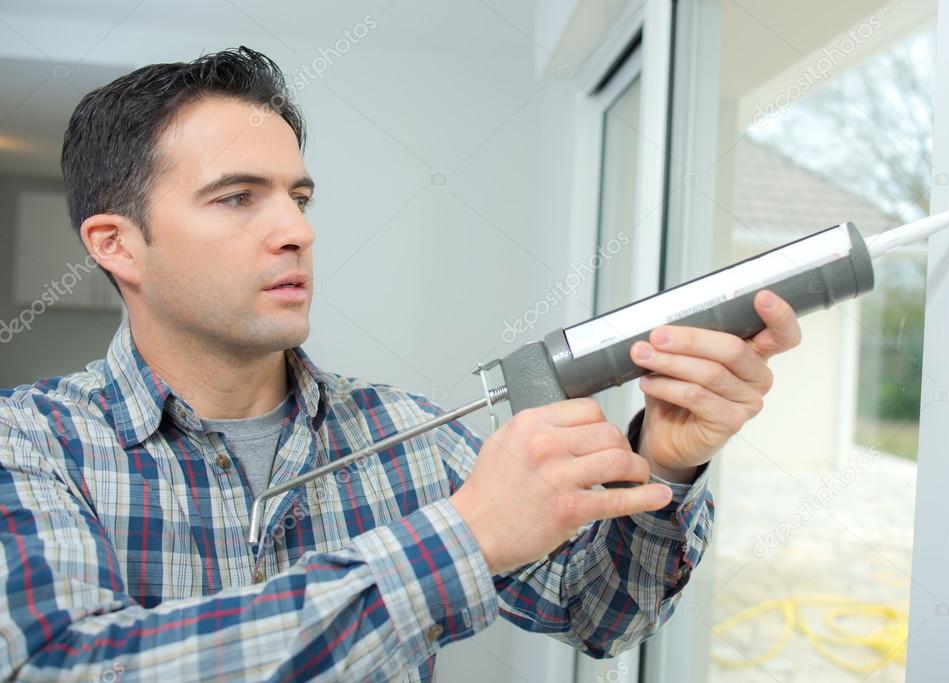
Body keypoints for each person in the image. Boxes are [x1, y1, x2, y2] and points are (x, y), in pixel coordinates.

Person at [0, 47, 801, 681]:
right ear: (116, 244)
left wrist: (666, 462)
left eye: (299, 197)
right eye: (238, 197)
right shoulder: (29, 443)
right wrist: (462, 538)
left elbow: (598, 616)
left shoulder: (407, 431)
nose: (297, 231)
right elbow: (61, 666)